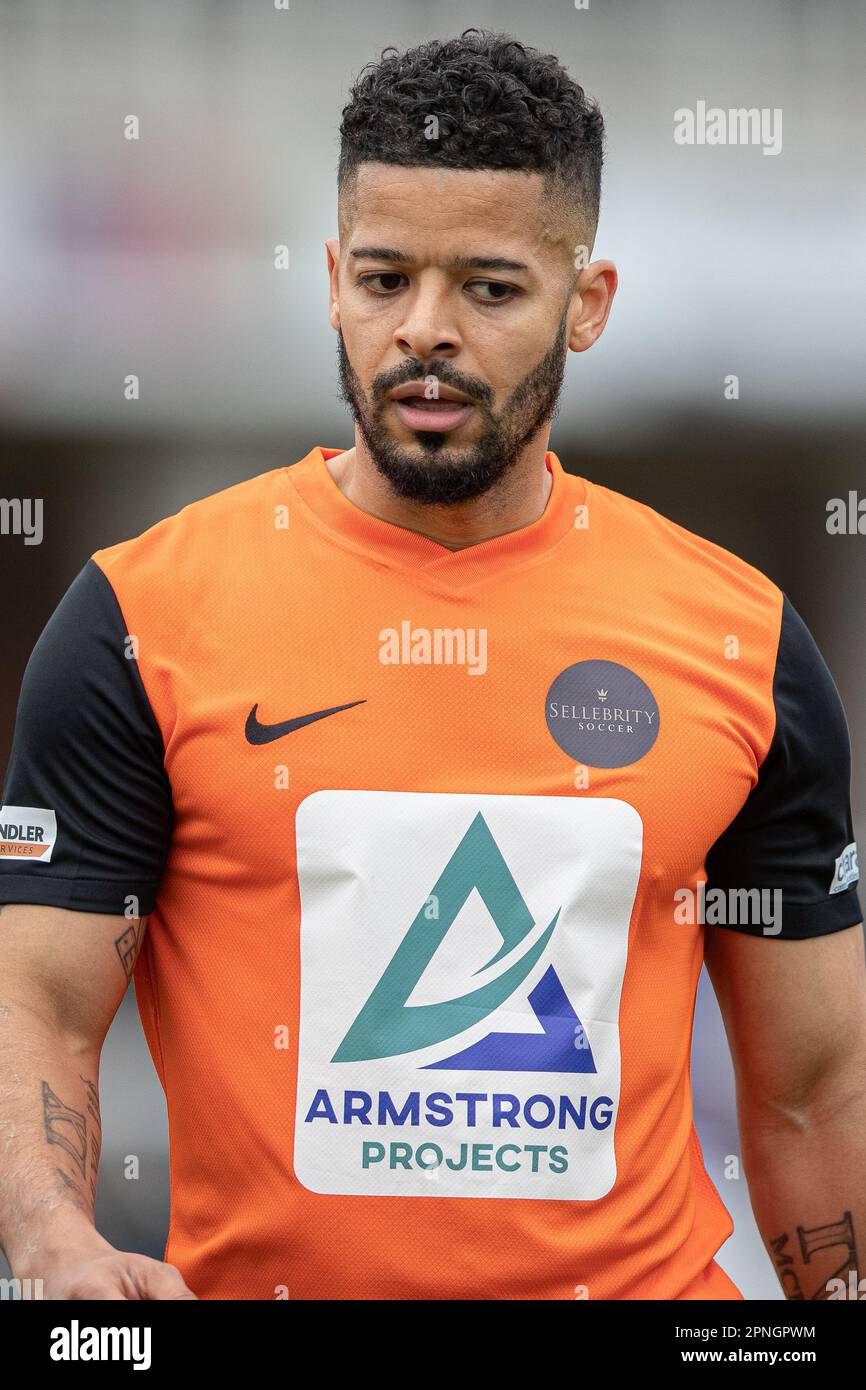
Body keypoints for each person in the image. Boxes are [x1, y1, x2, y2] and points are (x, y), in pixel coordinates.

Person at [0, 29, 863, 1302]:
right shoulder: (139, 614)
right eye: (386, 279)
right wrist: (54, 1246)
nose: (425, 333)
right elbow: (45, 1011)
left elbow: (806, 1097)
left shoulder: (738, 638)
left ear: (589, 301)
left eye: (491, 289)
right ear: (332, 280)